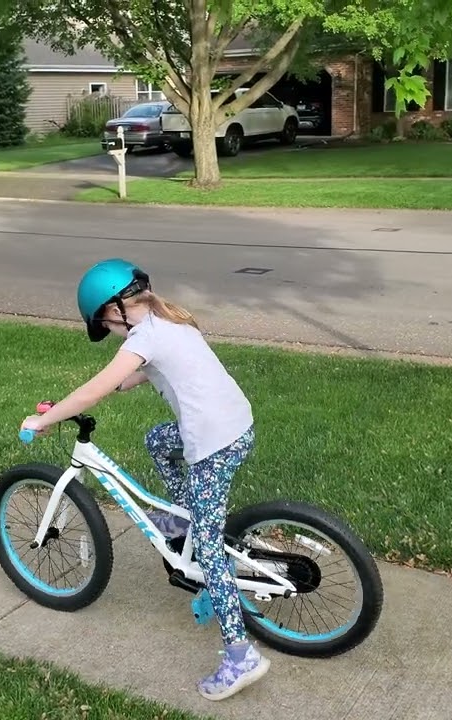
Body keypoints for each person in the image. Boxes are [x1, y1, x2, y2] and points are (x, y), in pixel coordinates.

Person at [20, 258, 269, 701]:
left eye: (104, 322)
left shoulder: (146, 334)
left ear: (115, 308)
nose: (110, 330)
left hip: (214, 443)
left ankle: (240, 656)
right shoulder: (168, 319)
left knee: (210, 550)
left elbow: (95, 388)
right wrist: (126, 382)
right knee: (158, 438)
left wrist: (47, 420)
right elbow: (150, 369)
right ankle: (184, 517)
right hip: (236, 425)